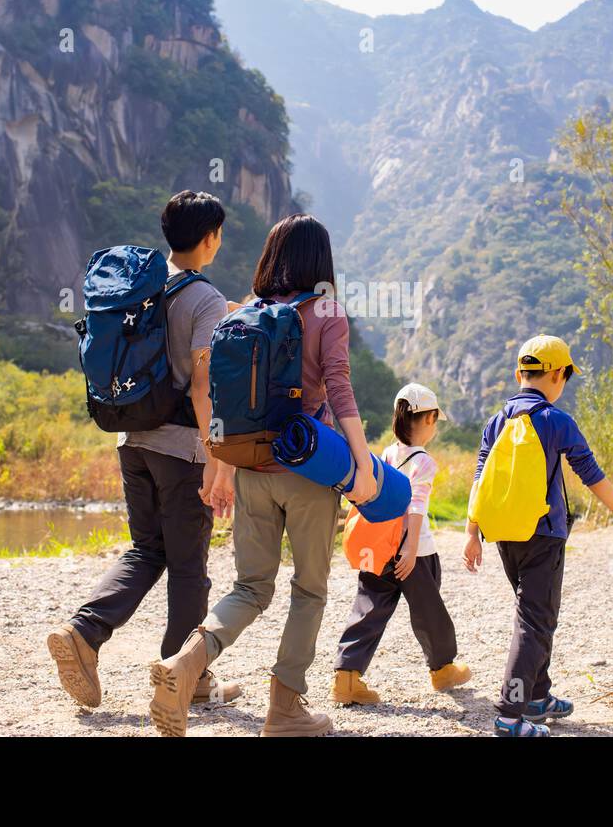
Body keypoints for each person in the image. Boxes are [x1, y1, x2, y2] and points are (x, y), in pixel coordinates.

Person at [149, 214, 377, 737]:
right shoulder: (326, 311)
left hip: (251, 465)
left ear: (272, 257)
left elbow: (223, 392)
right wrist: (362, 463)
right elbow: (339, 389)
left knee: (251, 586)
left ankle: (186, 664)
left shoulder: (247, 312)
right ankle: (285, 708)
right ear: (321, 261)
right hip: (308, 467)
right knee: (310, 589)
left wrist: (223, 463)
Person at [46, 190, 241, 711]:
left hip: (133, 443)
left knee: (147, 550)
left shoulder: (150, 291)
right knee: (188, 567)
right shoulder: (206, 300)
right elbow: (203, 389)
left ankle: (84, 632)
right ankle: (186, 677)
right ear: (210, 237)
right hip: (182, 450)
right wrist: (217, 461)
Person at [464, 335, 613, 737]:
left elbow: (479, 477)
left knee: (535, 613)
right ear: (558, 375)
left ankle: (536, 697)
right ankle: (511, 715)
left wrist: (471, 533)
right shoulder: (556, 421)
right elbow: (593, 476)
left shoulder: (497, 420)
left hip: (504, 536)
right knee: (535, 620)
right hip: (544, 535)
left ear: (519, 375)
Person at [331, 383, 472, 706]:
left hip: (379, 545)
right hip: (415, 552)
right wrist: (409, 549)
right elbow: (417, 507)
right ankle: (443, 670)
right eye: (436, 419)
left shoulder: (388, 454)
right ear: (428, 419)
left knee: (369, 606)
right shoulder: (423, 462)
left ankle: (346, 677)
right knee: (429, 612)